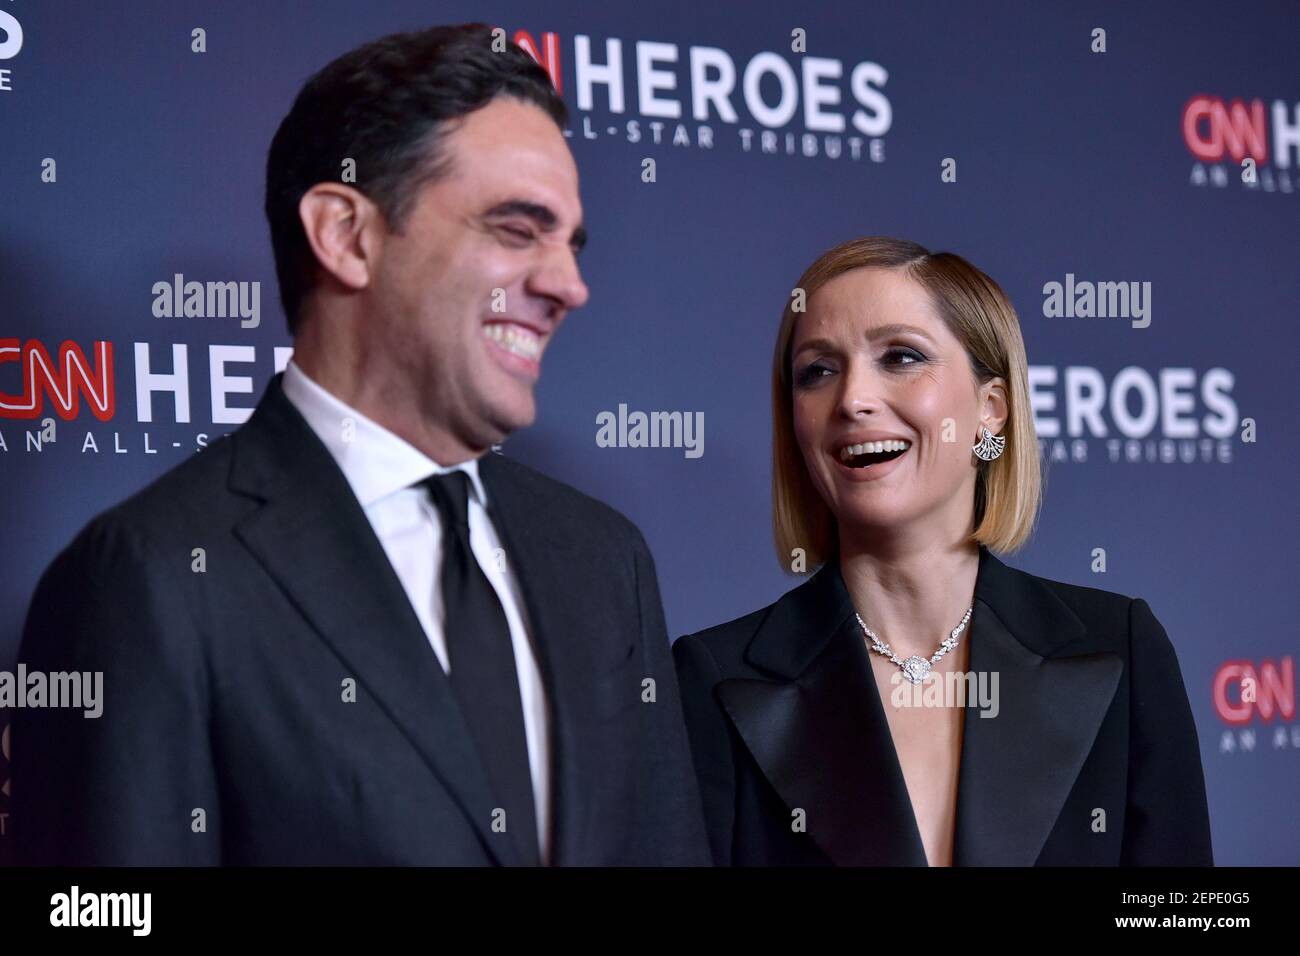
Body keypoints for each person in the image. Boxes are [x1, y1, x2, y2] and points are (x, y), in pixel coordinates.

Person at [13, 23, 708, 866]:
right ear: (346, 235)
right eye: (518, 230)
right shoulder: (146, 578)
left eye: (570, 243)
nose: (569, 285)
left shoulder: (605, 561)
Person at [672, 236, 1213, 866]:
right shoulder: (712, 679)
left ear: (990, 410)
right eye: (817, 370)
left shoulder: (1120, 648)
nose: (851, 400)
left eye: (900, 357)